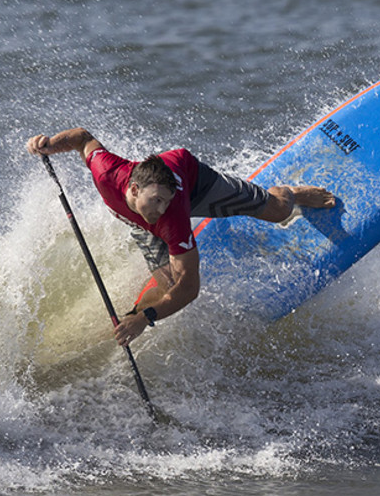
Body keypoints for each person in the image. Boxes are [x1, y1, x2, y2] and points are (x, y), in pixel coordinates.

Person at [27, 127, 336, 347]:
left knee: (277, 211)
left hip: (196, 182)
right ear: (133, 190)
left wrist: (147, 317)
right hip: (141, 217)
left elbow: (190, 289)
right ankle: (127, 322)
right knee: (167, 286)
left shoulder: (171, 216)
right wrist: (50, 144)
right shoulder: (106, 172)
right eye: (156, 201)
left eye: (165, 202)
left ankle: (290, 192)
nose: (161, 209)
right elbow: (82, 137)